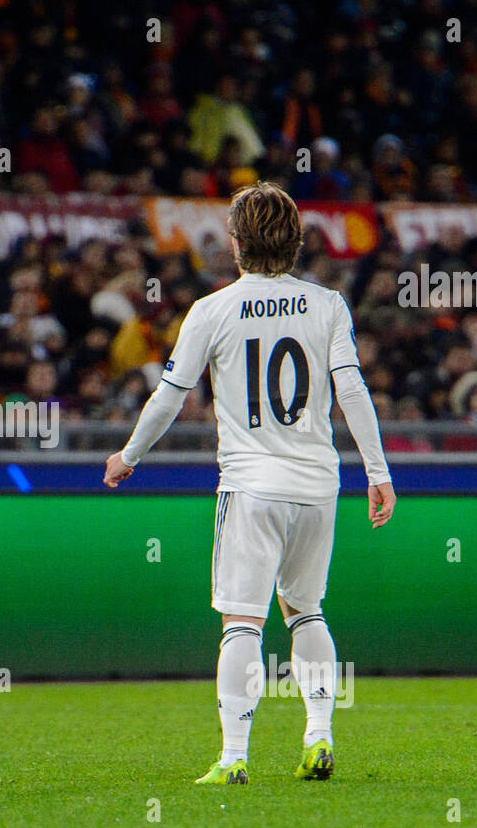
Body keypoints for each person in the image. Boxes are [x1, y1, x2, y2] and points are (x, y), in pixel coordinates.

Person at [103, 182, 396, 785]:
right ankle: (318, 739)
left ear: (236, 244)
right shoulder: (328, 304)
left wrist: (129, 453)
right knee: (307, 612)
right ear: (295, 243)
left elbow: (169, 397)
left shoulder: (212, 310)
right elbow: (352, 391)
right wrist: (378, 471)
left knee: (242, 623)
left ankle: (234, 757)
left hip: (251, 486)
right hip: (318, 486)